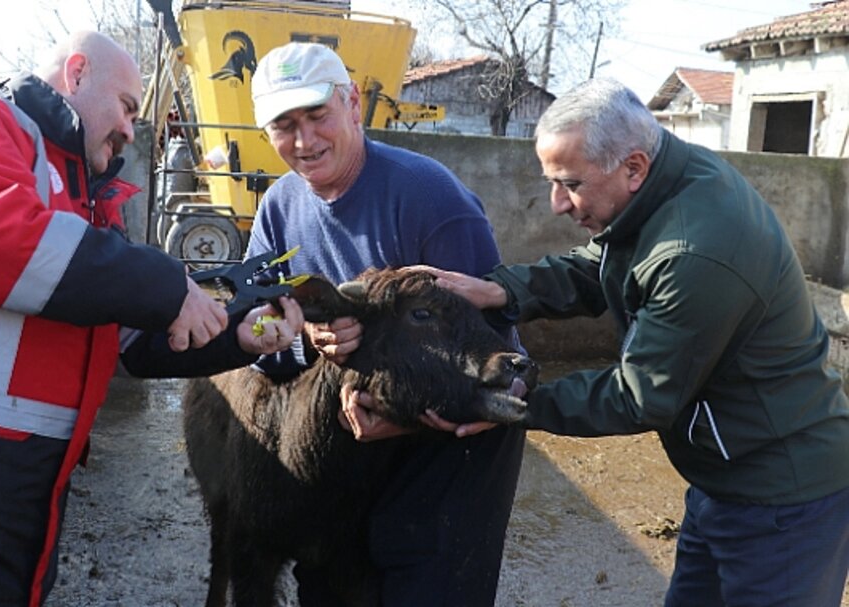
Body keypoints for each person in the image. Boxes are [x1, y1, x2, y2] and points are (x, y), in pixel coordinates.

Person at [0, 31, 302, 607]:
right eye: (127, 106)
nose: (131, 129)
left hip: (5, 506)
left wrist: (237, 335)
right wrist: (160, 282)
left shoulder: (85, 194)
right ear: (76, 73)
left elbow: (127, 339)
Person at [422, 77, 849, 607]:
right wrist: (501, 290)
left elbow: (640, 396)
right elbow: (608, 263)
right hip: (724, 476)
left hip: (782, 498)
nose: (557, 203)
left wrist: (512, 404)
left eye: (570, 184)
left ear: (633, 168)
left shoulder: (695, 251)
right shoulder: (664, 186)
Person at [246, 41, 527, 605]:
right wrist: (305, 338)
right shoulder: (278, 207)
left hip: (442, 462)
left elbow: (496, 365)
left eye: (317, 115)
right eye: (284, 124)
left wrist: (401, 421)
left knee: (426, 587)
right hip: (348, 460)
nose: (304, 141)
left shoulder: (429, 199)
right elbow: (252, 331)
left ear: (352, 104)